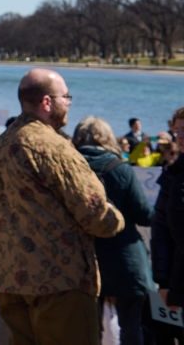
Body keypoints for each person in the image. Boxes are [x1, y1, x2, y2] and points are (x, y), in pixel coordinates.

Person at [0, 68, 125, 345]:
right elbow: (94, 213)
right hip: (58, 280)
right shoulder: (51, 147)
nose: (69, 103)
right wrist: (118, 219)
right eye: (66, 97)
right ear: (47, 102)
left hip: (10, 279)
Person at [72, 116, 155, 345]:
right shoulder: (121, 169)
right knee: (132, 327)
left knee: (87, 330)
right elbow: (143, 215)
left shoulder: (69, 169)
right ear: (107, 138)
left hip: (84, 259)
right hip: (125, 257)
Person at [153, 107, 184, 311]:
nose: (180, 137)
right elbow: (161, 230)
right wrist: (163, 282)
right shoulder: (173, 175)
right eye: (178, 131)